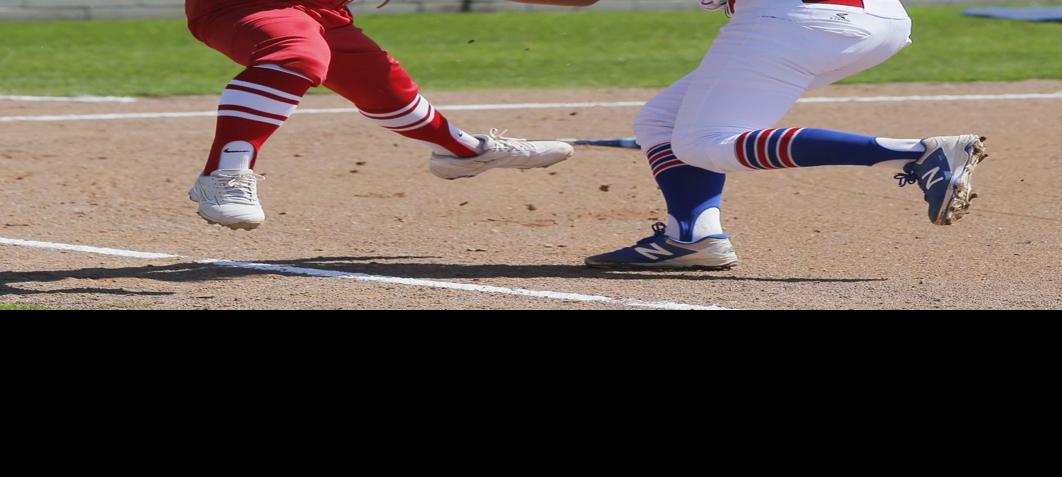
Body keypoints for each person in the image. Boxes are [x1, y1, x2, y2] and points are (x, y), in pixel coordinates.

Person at [516, 0, 986, 270]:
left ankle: (914, 154)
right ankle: (693, 236)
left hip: (796, 19)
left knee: (704, 142)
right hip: (873, 19)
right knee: (662, 120)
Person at [184, 0, 575, 230]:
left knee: (387, 91)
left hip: (320, 9)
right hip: (243, 4)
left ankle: (467, 152)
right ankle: (222, 174)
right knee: (296, 55)